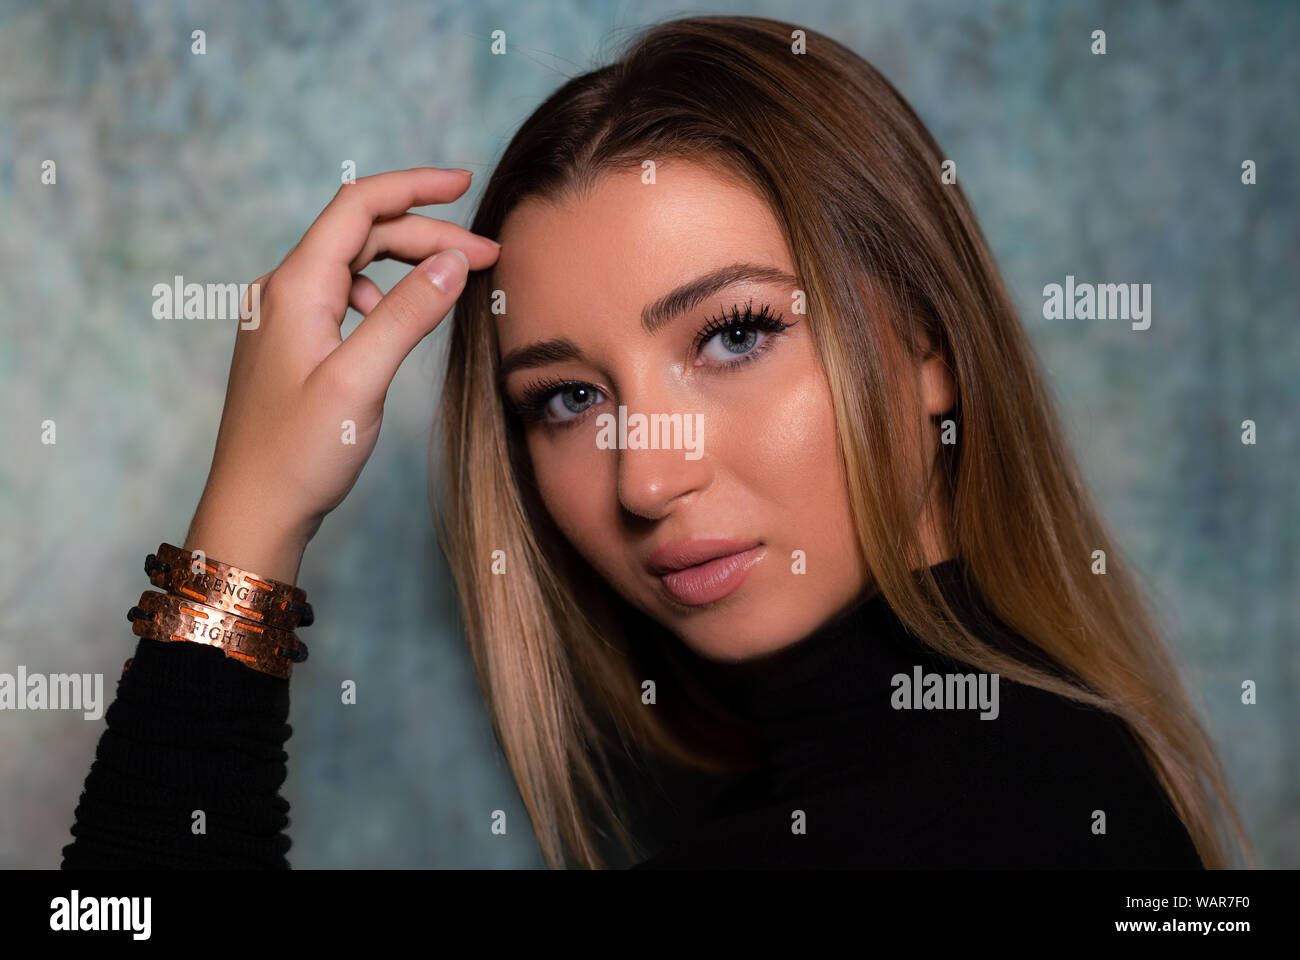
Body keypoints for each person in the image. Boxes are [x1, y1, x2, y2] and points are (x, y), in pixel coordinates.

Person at [62, 14, 1251, 870]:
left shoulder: (996, 812)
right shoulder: (969, 777)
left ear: (932, 339)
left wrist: (248, 527)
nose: (647, 475)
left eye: (735, 335)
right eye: (566, 401)